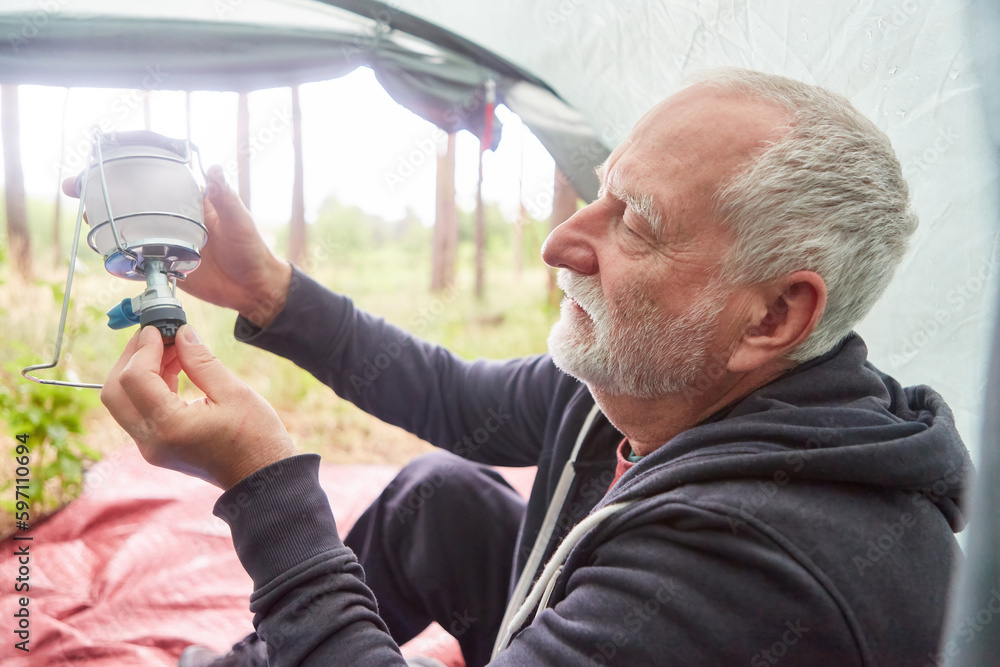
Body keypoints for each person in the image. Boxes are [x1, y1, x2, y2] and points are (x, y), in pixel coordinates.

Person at [97, 67, 972, 666]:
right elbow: (447, 392)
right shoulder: (661, 380)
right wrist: (268, 291)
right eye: (601, 190)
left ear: (774, 314)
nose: (561, 242)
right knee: (435, 497)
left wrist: (269, 494)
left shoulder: (748, 566)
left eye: (636, 222)